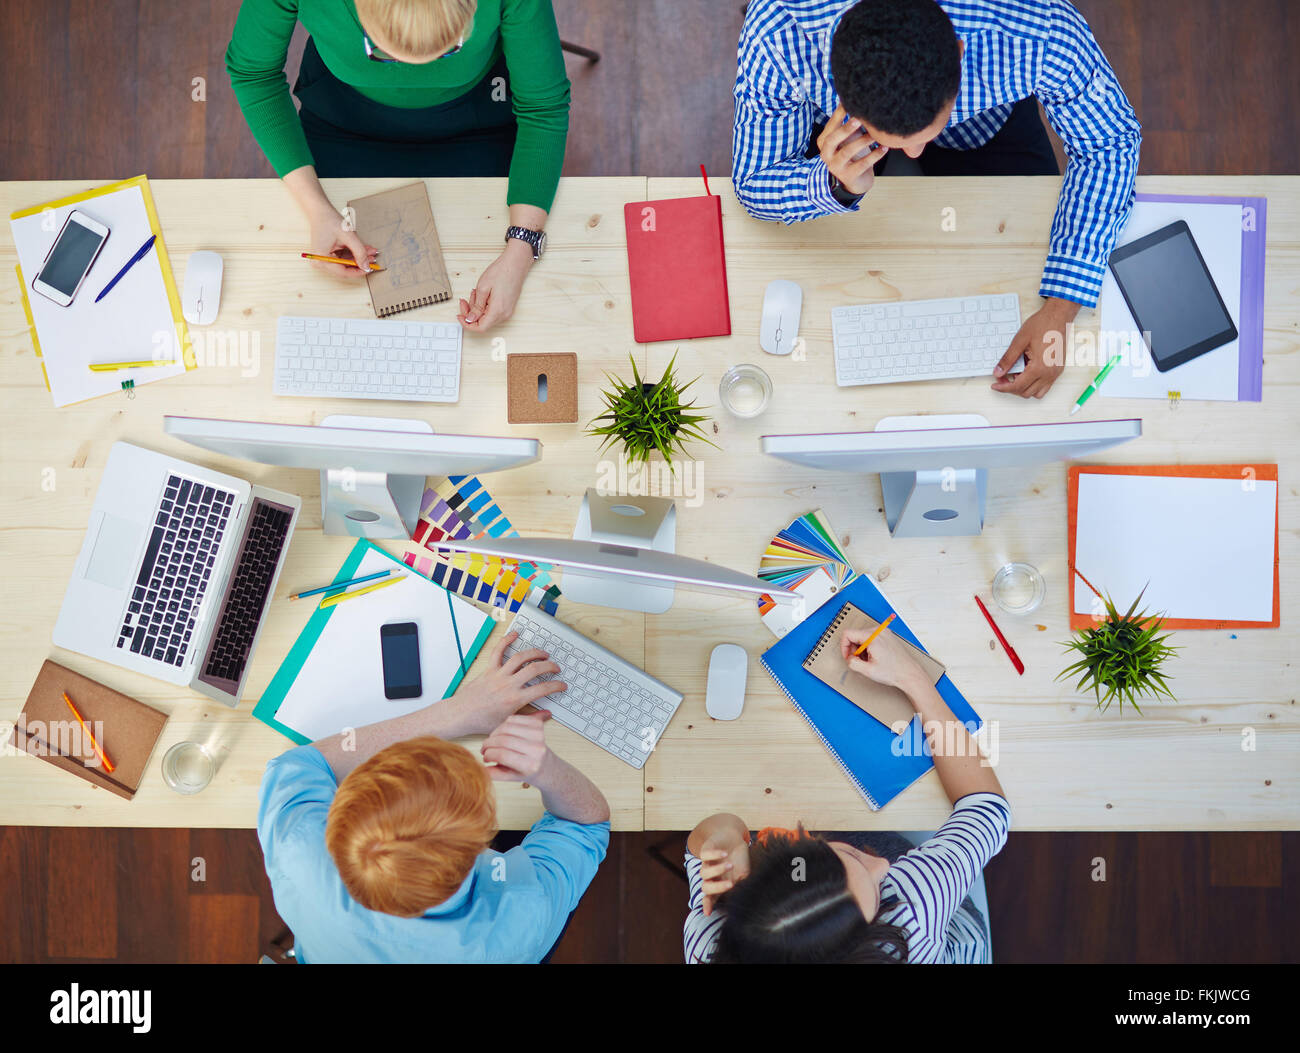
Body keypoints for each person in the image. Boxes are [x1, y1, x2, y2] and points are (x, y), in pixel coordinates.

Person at [732, 0, 1142, 399]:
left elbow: (1110, 143)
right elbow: (754, 182)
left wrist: (1062, 306)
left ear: (960, 50)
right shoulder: (780, 29)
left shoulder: (1038, 26)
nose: (913, 155)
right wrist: (832, 185)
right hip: (844, 149)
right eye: (895, 142)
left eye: (922, 136)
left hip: (988, 127)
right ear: (834, 77)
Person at [257, 630, 611, 963]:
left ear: (340, 816)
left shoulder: (298, 848)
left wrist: (457, 713)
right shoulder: (516, 922)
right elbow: (586, 825)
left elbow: (300, 763)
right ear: (482, 843)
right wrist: (546, 769)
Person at [226, 0, 571, 331]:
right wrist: (317, 210)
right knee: (332, 306)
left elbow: (543, 108)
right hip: (341, 120)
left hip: (478, 118)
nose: (416, 71)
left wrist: (522, 248)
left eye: (447, 50)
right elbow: (254, 73)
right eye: (384, 53)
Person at [683, 622, 1009, 963]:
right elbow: (987, 811)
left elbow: (700, 845)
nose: (882, 866)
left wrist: (722, 839)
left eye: (851, 859)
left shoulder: (711, 945)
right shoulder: (911, 910)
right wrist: (911, 676)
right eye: (859, 868)